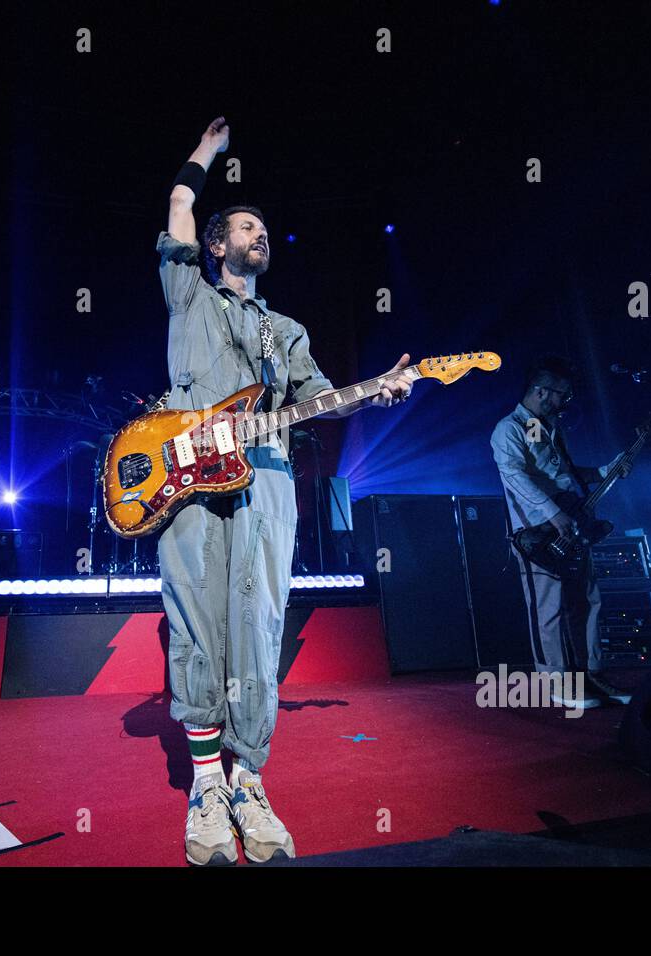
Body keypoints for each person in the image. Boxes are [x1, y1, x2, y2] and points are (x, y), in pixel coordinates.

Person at [159, 117, 411, 864]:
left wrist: (383, 389)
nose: (257, 235)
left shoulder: (287, 332)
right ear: (216, 245)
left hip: (267, 479)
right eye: (243, 226)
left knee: (260, 624)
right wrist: (206, 155)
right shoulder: (189, 297)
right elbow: (176, 209)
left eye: (263, 229)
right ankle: (206, 785)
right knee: (198, 621)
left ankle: (249, 780)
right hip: (188, 475)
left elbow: (326, 399)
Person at [490, 354, 633, 710]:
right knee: (547, 606)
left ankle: (593, 672)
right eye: (561, 396)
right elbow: (514, 476)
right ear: (541, 392)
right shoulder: (508, 429)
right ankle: (554, 680)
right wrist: (553, 514)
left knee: (587, 598)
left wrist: (605, 470)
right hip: (537, 531)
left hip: (571, 523)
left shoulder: (551, 428)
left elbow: (564, 475)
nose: (565, 403)